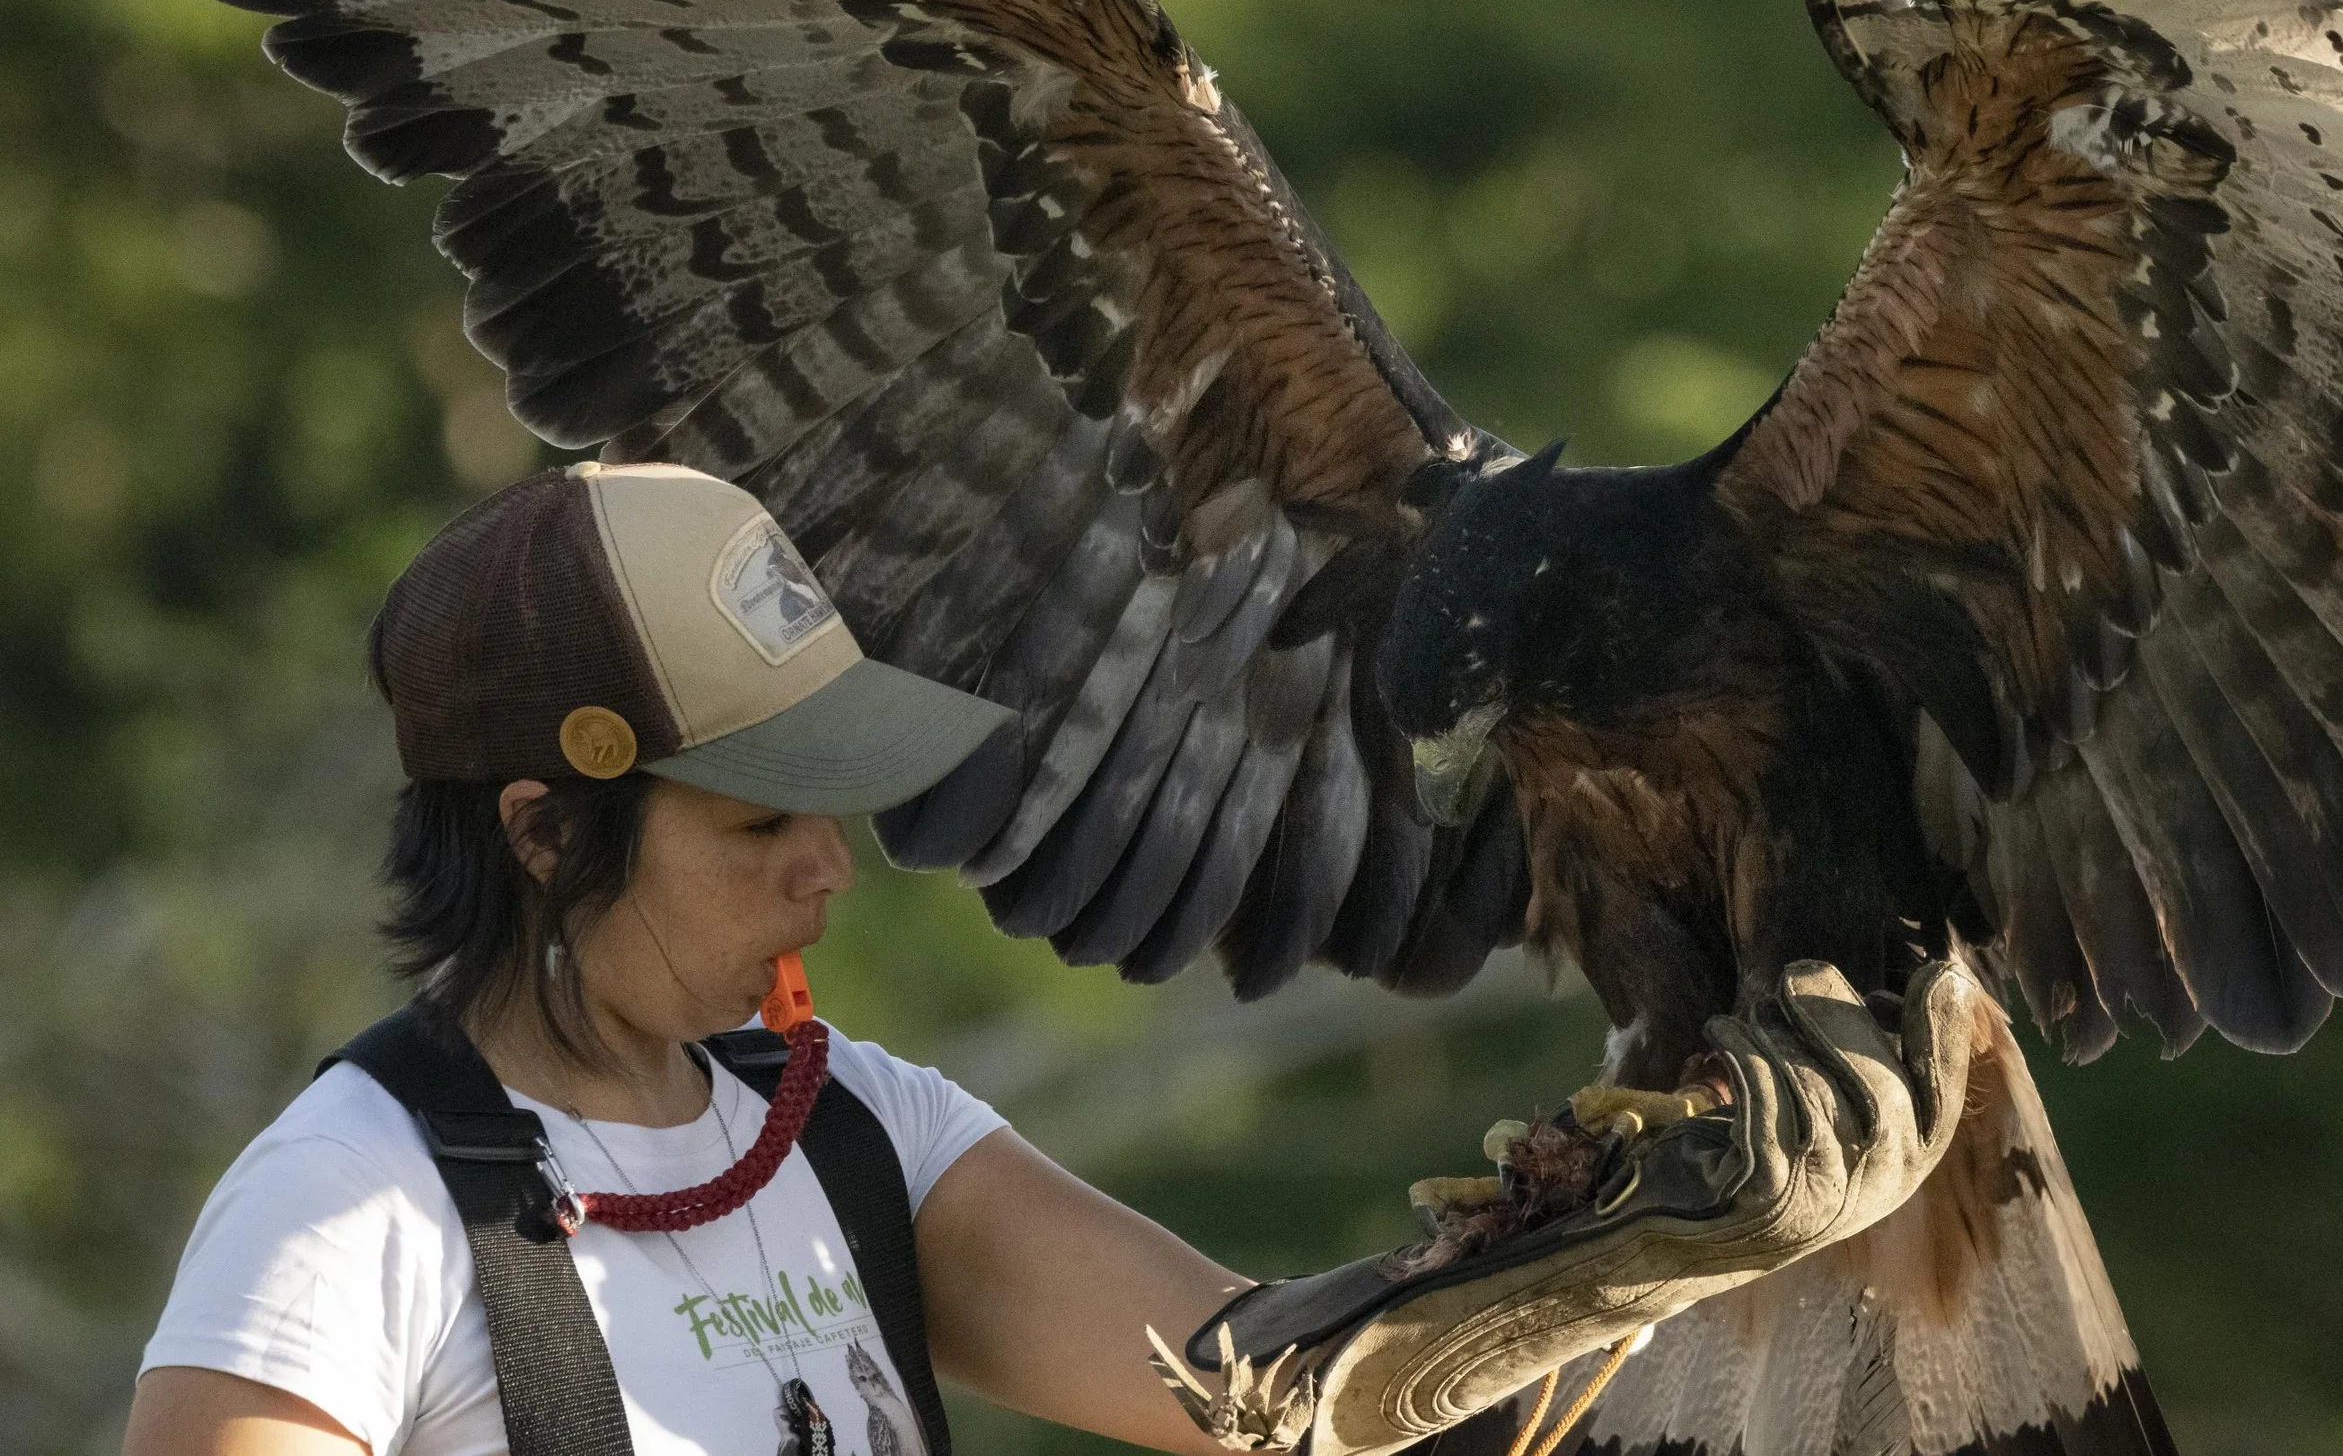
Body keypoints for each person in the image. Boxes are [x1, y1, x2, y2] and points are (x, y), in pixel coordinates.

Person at [123, 461, 1979, 1456]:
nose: (825, 869)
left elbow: (1258, 1394)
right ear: (544, 828)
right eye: (756, 821)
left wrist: (1623, 1247)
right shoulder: (349, 1214)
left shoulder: (858, 1128)